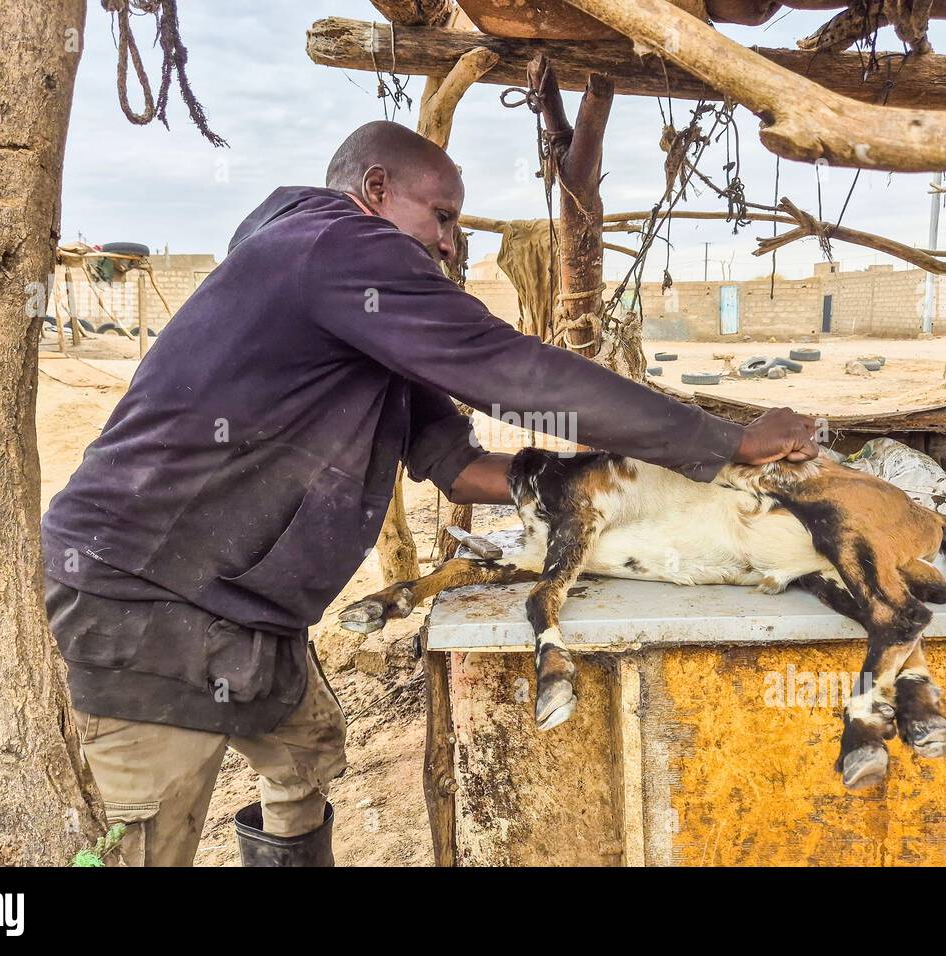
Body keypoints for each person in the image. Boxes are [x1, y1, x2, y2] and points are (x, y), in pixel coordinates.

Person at [42, 120, 817, 866]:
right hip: (148, 602)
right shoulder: (335, 245)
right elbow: (511, 372)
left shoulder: (352, 308)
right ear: (375, 189)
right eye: (441, 215)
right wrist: (722, 442)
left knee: (306, 761)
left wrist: (589, 483)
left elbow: (450, 458)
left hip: (248, 610)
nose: (450, 241)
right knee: (141, 843)